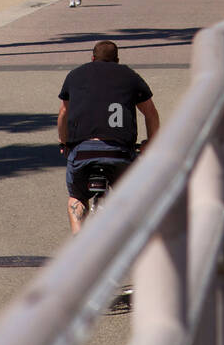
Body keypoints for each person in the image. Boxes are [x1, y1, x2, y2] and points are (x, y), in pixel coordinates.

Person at [57, 39, 160, 234]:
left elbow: (63, 113)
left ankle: (79, 237)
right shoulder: (130, 76)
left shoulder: (75, 75)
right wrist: (150, 144)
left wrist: (64, 142)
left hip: (83, 153)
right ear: (117, 60)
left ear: (92, 58)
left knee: (77, 197)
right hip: (119, 152)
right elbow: (151, 113)